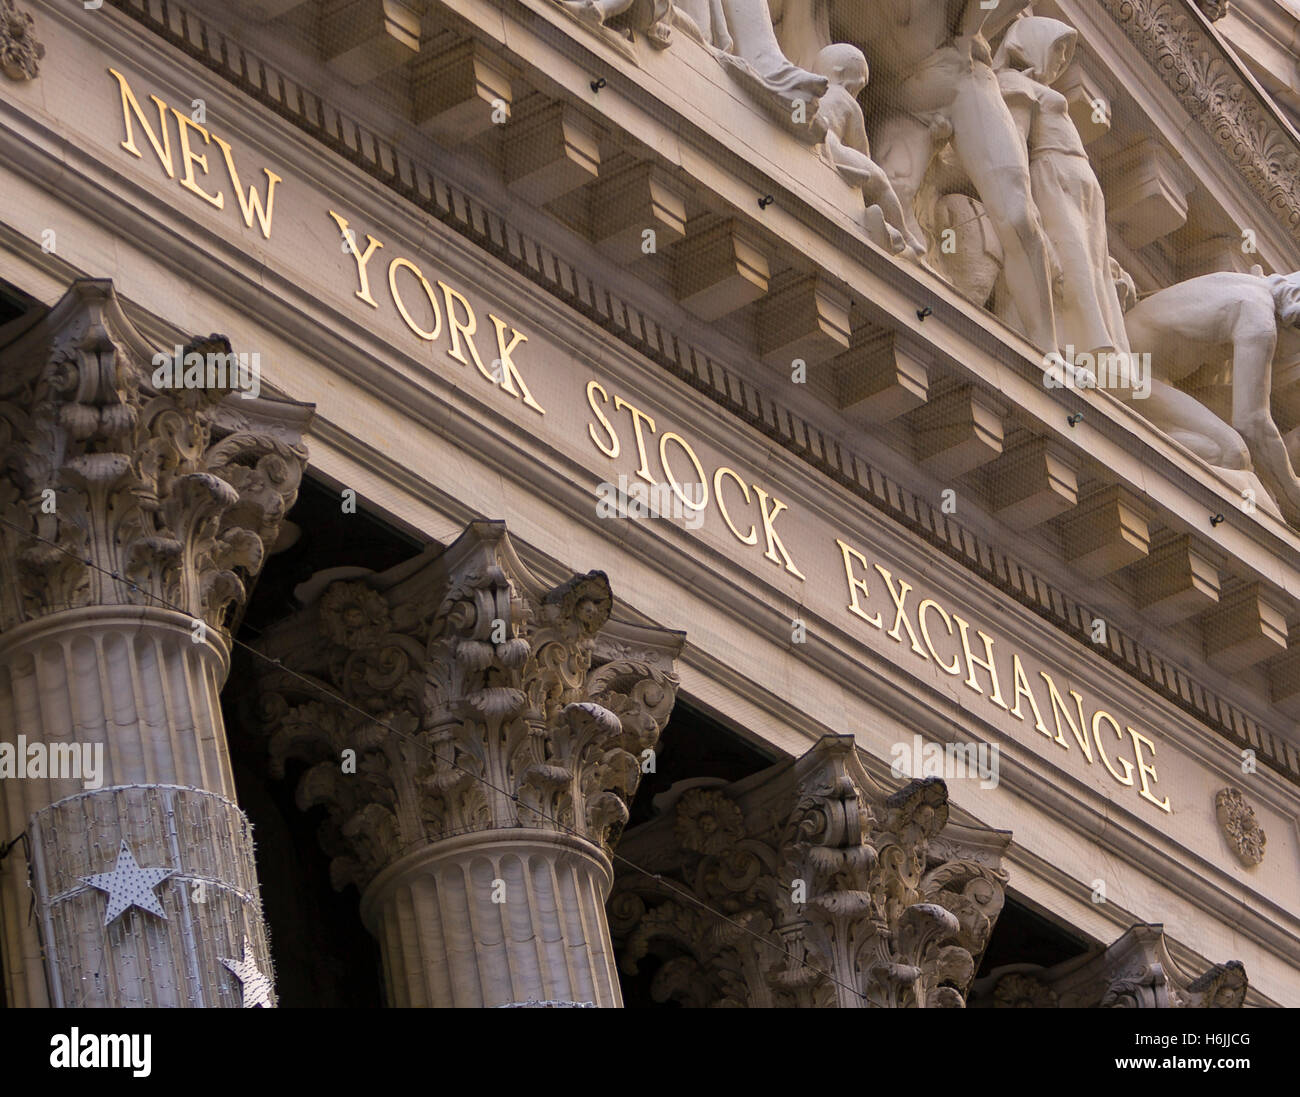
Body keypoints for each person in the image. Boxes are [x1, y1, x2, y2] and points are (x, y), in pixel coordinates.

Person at [995, 17, 1130, 361]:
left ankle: (1091, 347)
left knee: (1089, 264)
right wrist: (1027, 202)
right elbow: (1013, 147)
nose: (1062, 60)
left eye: (1067, 54)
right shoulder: (1014, 84)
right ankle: (1071, 345)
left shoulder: (1033, 87)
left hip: (1080, 190)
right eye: (1057, 49)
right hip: (1051, 179)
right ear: (1033, 46)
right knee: (1071, 263)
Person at [812, 44, 925, 256]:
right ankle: (906, 234)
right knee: (881, 181)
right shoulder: (844, 98)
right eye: (857, 88)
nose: (855, 94)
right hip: (832, 146)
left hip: (819, 143)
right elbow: (860, 147)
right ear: (839, 74)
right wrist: (868, 173)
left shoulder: (814, 94)